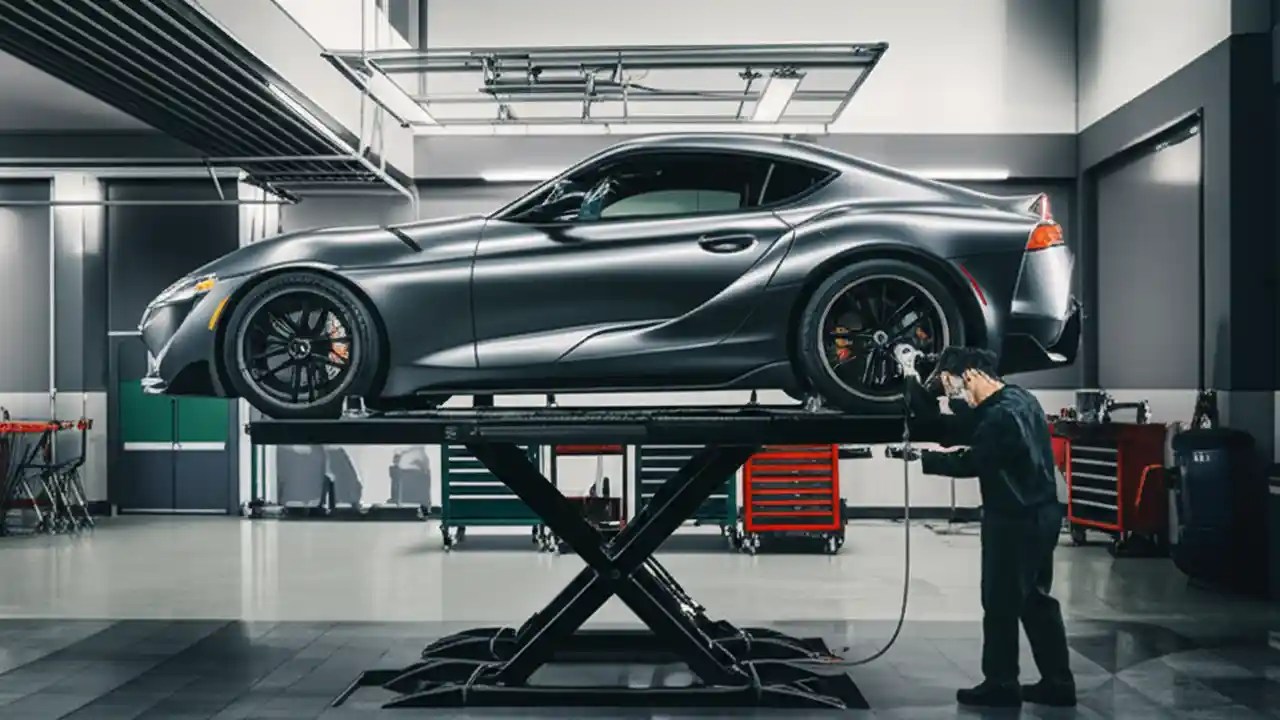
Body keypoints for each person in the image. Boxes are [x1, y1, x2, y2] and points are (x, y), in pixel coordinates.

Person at [897, 346, 1076, 708]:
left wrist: (922, 458)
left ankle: (1001, 685)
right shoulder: (1020, 399)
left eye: (951, 386)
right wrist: (911, 377)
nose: (952, 396)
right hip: (1041, 513)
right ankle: (1058, 684)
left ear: (970, 375)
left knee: (999, 602)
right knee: (1035, 600)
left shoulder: (1000, 417)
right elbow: (954, 426)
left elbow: (974, 460)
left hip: (1014, 518)